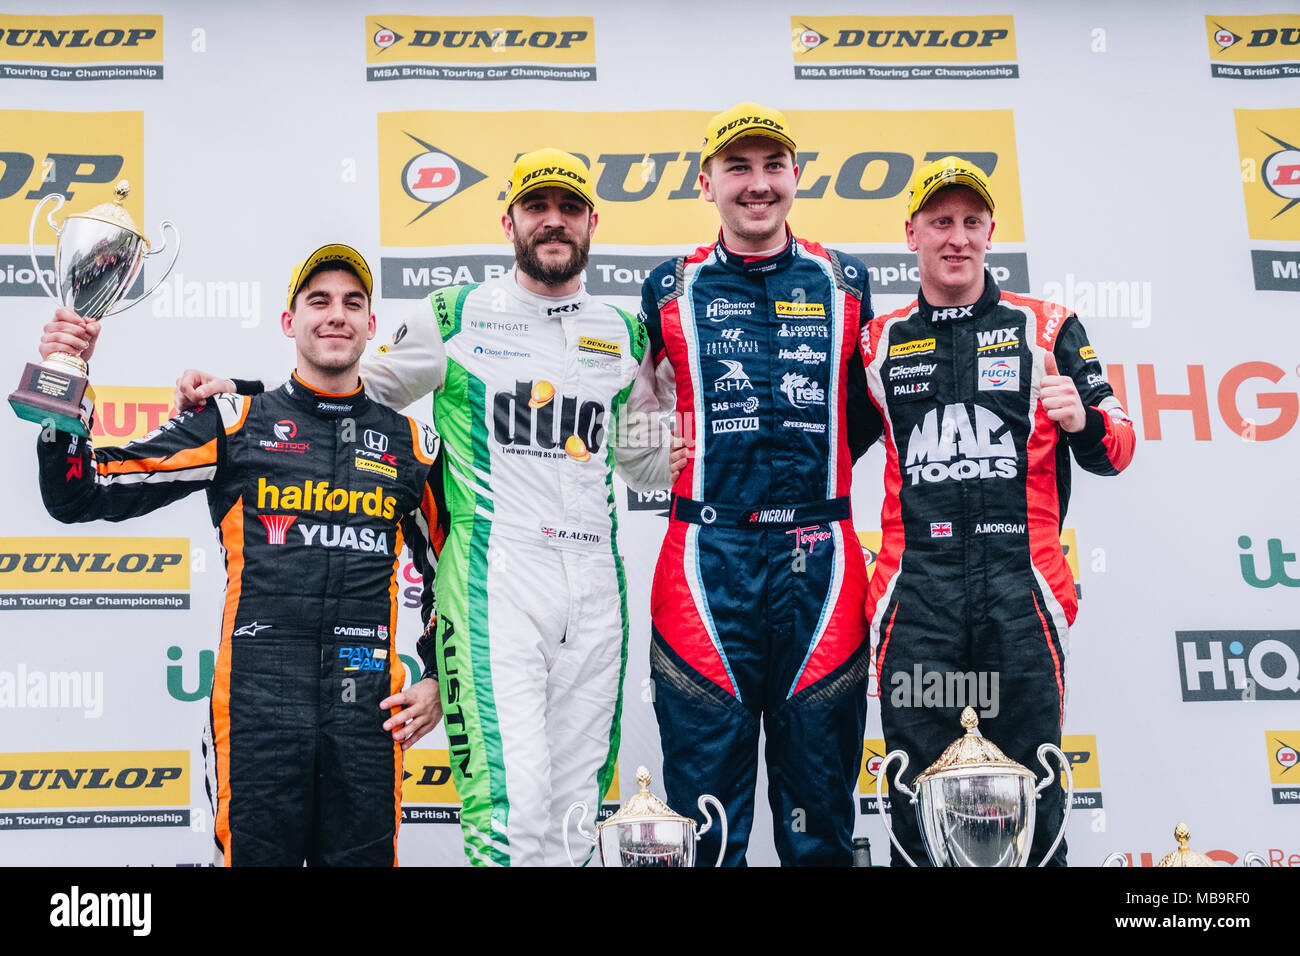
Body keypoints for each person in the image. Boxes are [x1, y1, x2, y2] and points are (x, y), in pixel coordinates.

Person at [175, 149, 672, 866]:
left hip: (597, 579)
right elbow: (352, 387)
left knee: (575, 813)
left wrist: (701, 418)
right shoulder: (457, 314)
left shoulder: (625, 333)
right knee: (513, 805)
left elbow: (643, 460)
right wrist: (249, 395)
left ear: (594, 221)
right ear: (510, 222)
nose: (553, 222)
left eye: (569, 208)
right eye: (537, 207)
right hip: (500, 572)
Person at [33, 244, 445, 866]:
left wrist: (441, 679)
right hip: (256, 712)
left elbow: (454, 577)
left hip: (365, 715)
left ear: (371, 327)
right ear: (289, 322)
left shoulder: (411, 445)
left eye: (352, 303)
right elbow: (81, 490)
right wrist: (67, 380)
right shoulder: (234, 423)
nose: (336, 315)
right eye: (319, 301)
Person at [861, 157, 1136, 866]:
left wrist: (1083, 423)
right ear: (911, 233)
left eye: (971, 223)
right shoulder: (877, 339)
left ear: (991, 233)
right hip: (917, 601)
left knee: (1032, 790)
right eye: (941, 222)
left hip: (1023, 596)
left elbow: (1119, 447)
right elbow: (818, 450)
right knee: (920, 793)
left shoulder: (1048, 326)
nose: (957, 237)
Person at [642, 103, 877, 866]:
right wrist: (653, 447)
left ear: (797, 177)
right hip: (708, 557)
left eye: (772, 167)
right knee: (705, 813)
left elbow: (866, 414)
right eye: (737, 168)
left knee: (820, 810)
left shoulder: (846, 282)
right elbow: (628, 417)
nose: (756, 185)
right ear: (706, 181)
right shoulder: (668, 288)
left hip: (823, 557)